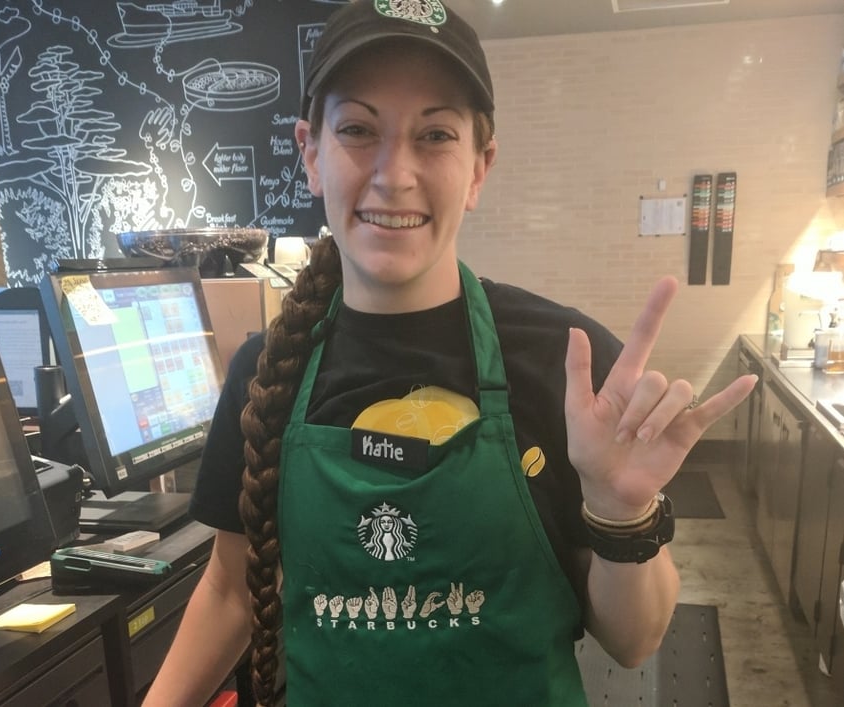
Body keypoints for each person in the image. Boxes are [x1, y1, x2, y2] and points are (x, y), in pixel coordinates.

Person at [143, 1, 757, 705]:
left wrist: (620, 511)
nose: (394, 173)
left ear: (478, 168)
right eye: (358, 130)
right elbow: (228, 589)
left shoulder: (568, 367)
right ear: (310, 153)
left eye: (434, 134)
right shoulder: (264, 374)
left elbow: (635, 637)